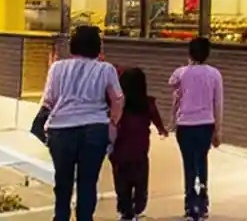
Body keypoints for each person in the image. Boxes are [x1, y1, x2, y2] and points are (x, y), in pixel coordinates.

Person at [40, 25, 123, 221]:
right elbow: (117, 99)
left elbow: (49, 99)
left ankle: (61, 216)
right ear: (97, 46)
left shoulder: (57, 68)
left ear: (73, 45)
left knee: (63, 180)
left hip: (60, 129)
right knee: (88, 181)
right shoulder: (106, 69)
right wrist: (112, 123)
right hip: (95, 128)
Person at [169, 37, 223, 221]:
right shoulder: (215, 74)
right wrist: (218, 130)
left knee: (188, 164)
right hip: (206, 123)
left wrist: (171, 121)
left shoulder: (180, 73)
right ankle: (203, 204)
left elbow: (174, 94)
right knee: (202, 161)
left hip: (185, 124)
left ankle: (189, 204)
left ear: (189, 53)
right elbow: (218, 103)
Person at [110, 67, 167, 221]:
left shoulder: (119, 104)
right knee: (140, 181)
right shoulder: (147, 104)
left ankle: (125, 210)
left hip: (119, 150)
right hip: (140, 151)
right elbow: (156, 119)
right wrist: (162, 130)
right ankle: (137, 207)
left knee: (122, 182)